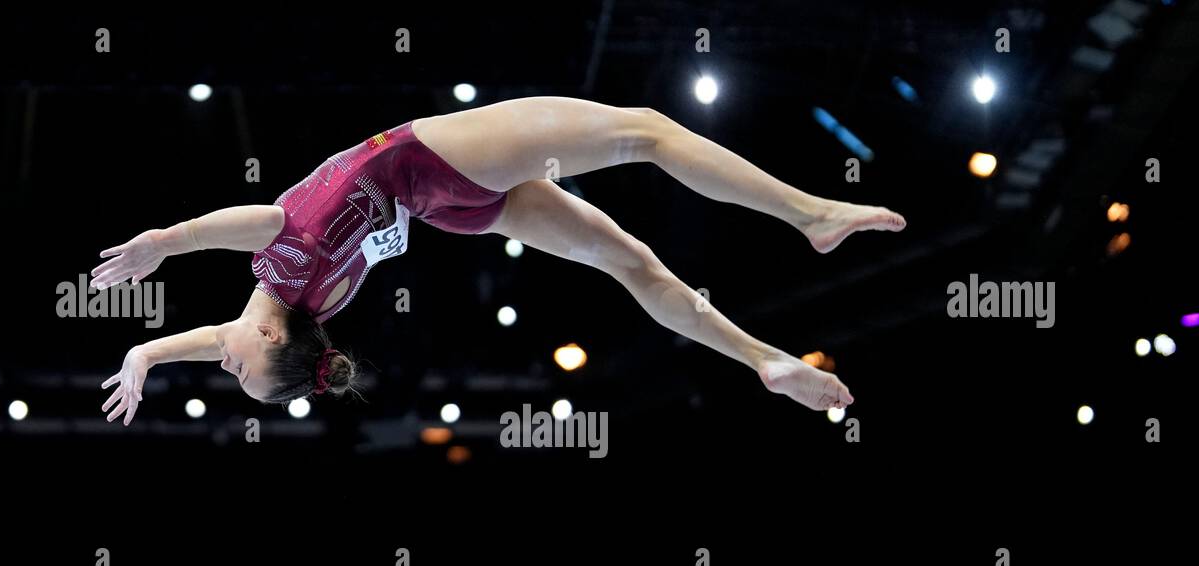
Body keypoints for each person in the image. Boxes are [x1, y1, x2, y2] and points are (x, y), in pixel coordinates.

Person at [96, 96, 905, 426]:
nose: (221, 360)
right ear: (276, 344)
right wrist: (166, 243)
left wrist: (142, 350)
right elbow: (258, 220)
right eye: (237, 373)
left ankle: (764, 361)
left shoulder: (310, 306)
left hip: (454, 208)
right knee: (645, 132)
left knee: (634, 266)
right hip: (435, 164)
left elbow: (221, 328)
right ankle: (812, 213)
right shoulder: (288, 268)